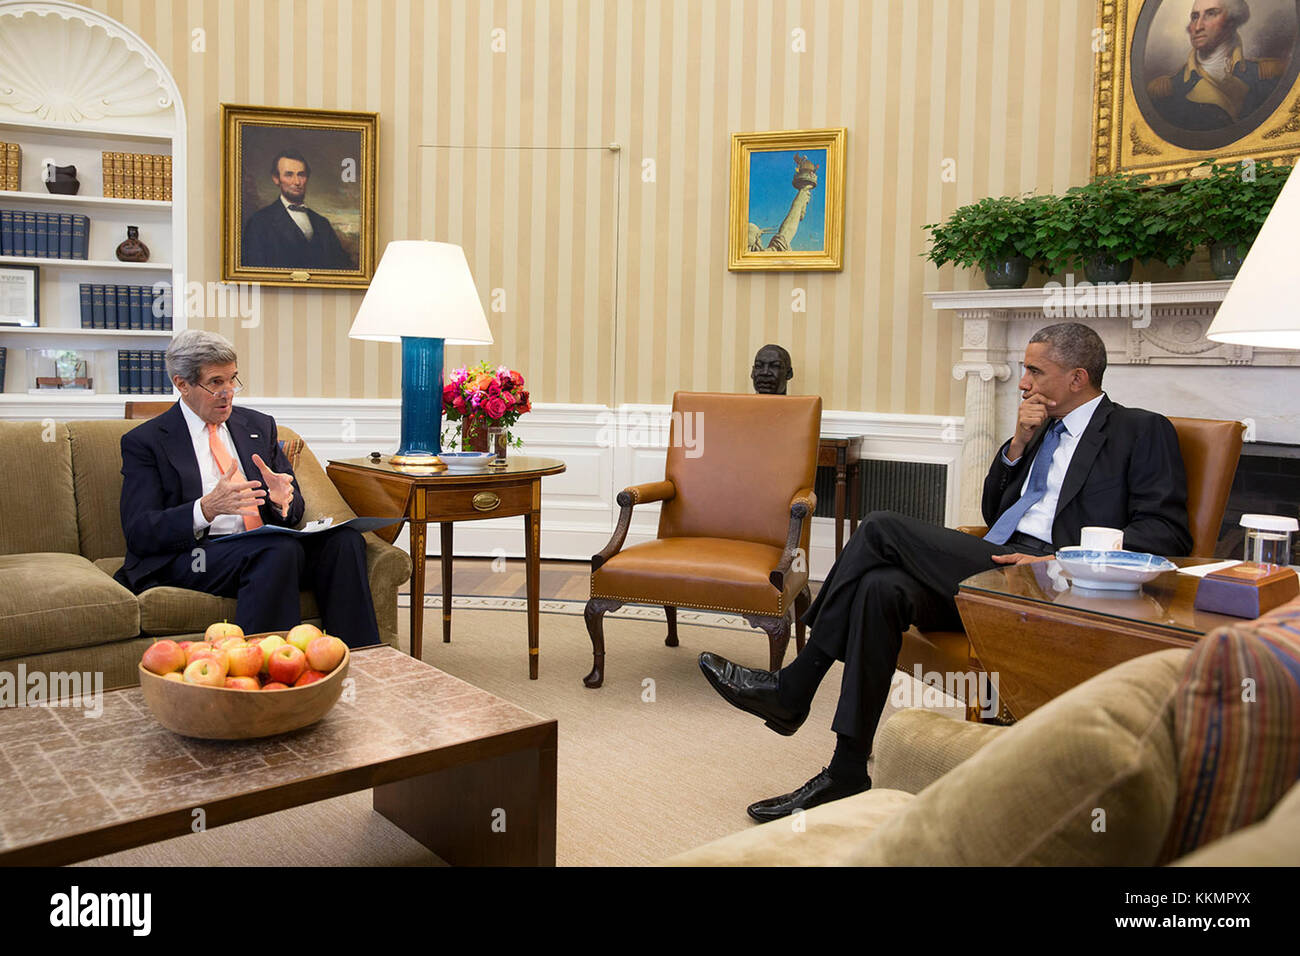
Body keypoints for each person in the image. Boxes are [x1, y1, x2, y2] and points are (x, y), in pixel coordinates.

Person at [699, 322, 1193, 821]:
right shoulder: (1040, 427)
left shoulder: (1141, 429)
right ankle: (846, 770)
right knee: (879, 587)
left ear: (1077, 377)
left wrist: (1061, 559)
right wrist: (1019, 444)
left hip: (1053, 582)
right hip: (998, 564)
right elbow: (995, 508)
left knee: (878, 527)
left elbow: (1168, 533)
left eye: (1034, 371)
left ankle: (794, 687)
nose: (1023, 382)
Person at [114, 329, 380, 647]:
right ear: (181, 384)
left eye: (232, 380)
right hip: (196, 553)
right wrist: (206, 509)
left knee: (344, 541)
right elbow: (140, 530)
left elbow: (288, 509)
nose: (228, 393)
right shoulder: (146, 441)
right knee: (277, 550)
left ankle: (361, 660)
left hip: (264, 545)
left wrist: (284, 502)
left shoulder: (257, 426)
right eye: (215, 382)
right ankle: (264, 674)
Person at [1146, 0, 1283, 131]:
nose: (1198, 27)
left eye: (1211, 14)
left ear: (1232, 21)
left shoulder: (1269, 75)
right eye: (1195, 17)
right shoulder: (1166, 91)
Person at [241, 149, 354, 270]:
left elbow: (343, 268)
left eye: (301, 174)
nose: (297, 182)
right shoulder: (259, 222)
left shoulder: (322, 223)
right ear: (276, 179)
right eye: (289, 175)